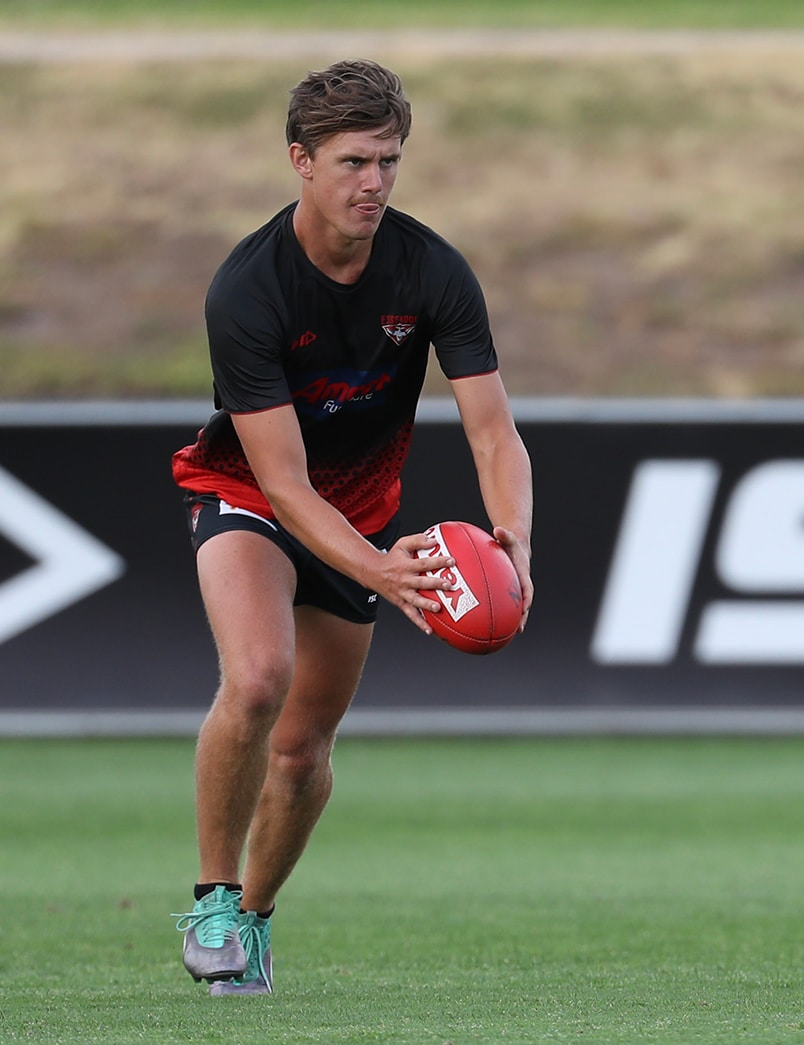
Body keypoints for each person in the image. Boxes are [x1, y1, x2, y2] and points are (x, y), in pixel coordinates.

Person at [170, 58, 533, 996]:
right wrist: (381, 569)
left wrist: (512, 538)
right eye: (354, 161)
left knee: (302, 748)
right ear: (301, 160)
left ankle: (252, 917)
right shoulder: (247, 290)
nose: (374, 182)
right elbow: (284, 484)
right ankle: (209, 897)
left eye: (390, 160)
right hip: (249, 492)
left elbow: (493, 430)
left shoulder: (432, 269)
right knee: (257, 678)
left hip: (365, 513)